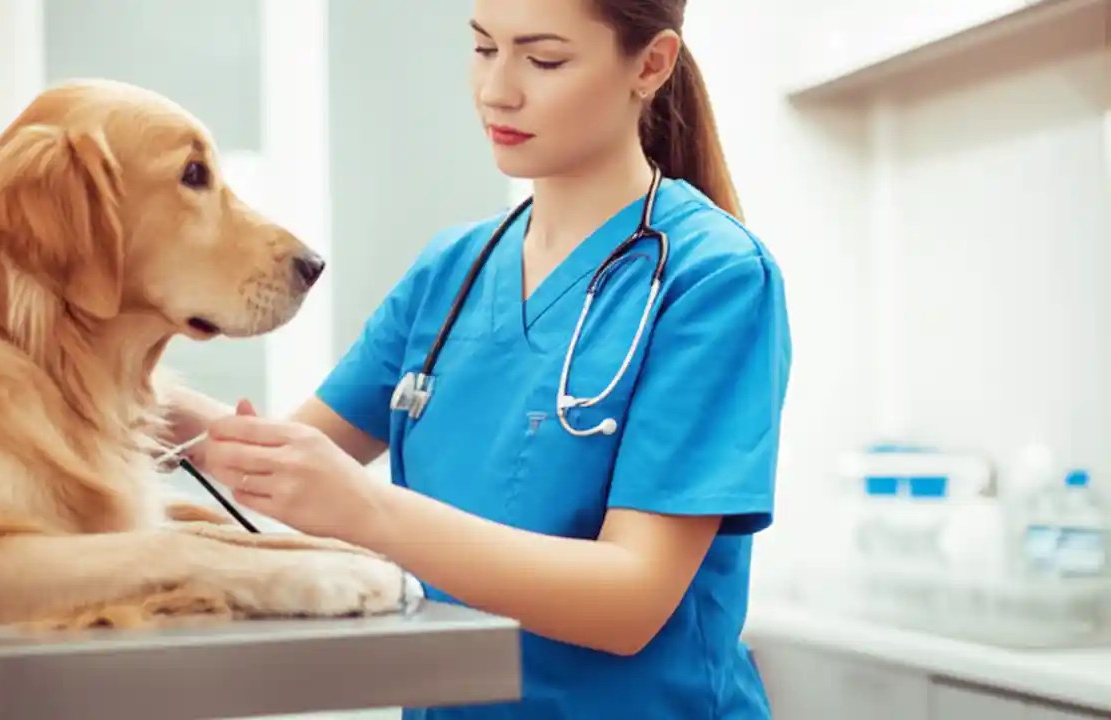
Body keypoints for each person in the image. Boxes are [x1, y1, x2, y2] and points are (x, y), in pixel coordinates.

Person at [174, 0, 792, 717]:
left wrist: (365, 508)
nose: (497, 90)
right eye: (483, 49)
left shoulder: (713, 278)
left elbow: (631, 601)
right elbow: (284, 460)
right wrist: (144, 403)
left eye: (544, 59)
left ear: (650, 65)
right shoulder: (452, 271)